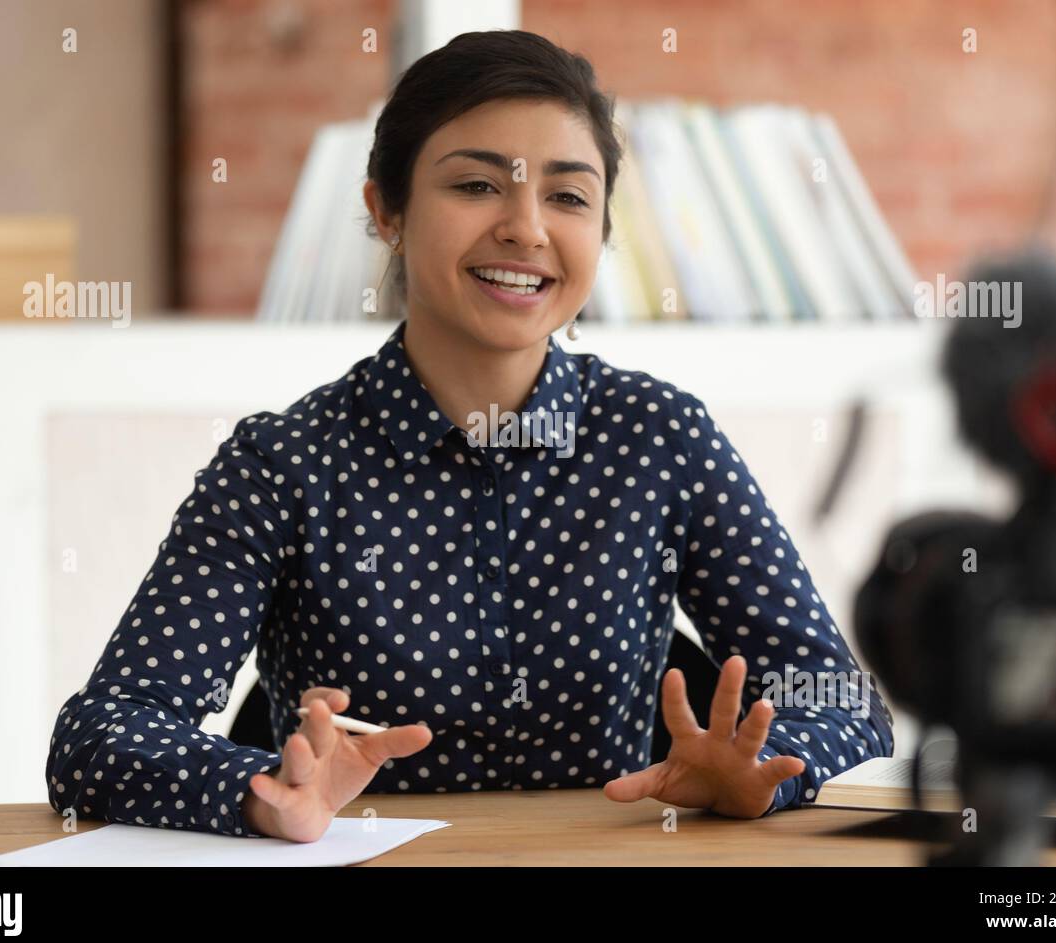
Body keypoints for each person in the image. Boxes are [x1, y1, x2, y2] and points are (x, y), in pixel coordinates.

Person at [45, 30, 894, 842]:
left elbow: (842, 700)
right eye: (477, 185)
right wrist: (261, 794)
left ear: (600, 232)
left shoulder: (658, 438)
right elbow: (101, 735)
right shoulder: (283, 464)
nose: (526, 228)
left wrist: (766, 775)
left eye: (567, 196)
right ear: (387, 209)